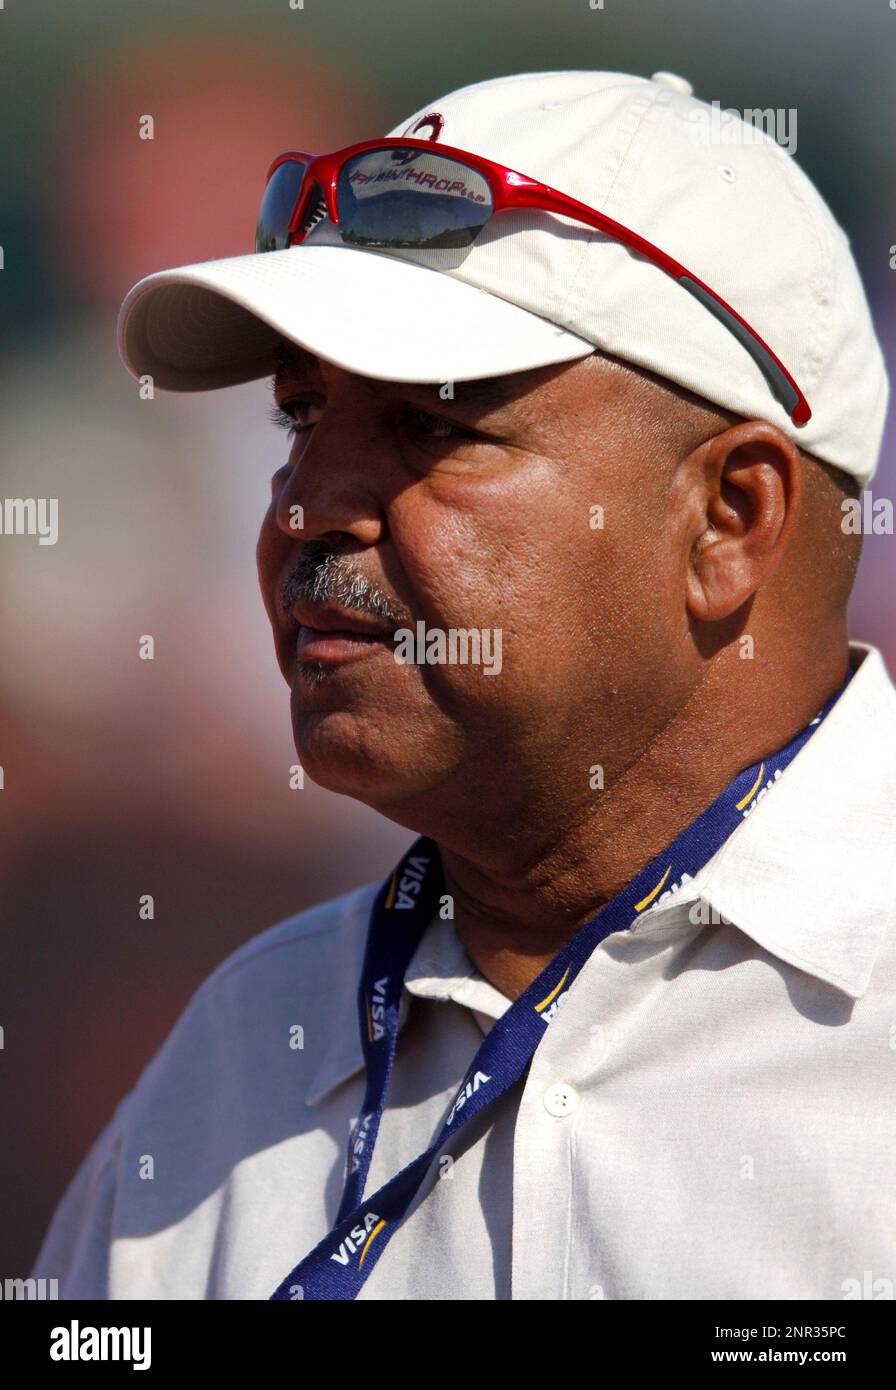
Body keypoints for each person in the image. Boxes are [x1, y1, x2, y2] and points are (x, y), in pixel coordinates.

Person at [31, 69, 895, 1300]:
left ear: (728, 517)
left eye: (431, 428)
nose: (304, 510)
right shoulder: (242, 1050)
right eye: (298, 421)